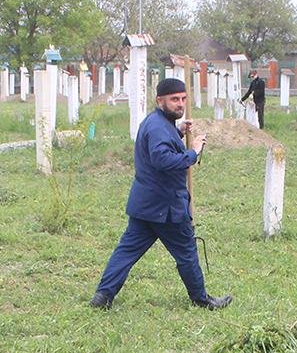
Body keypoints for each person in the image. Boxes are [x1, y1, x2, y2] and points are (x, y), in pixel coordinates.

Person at [89, 78, 232, 311]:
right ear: (159, 100)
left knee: (126, 252)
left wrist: (178, 131)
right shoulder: (158, 126)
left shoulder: (157, 123)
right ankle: (201, 299)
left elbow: (162, 141)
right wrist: (193, 152)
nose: (180, 104)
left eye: (183, 99)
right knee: (186, 253)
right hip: (166, 208)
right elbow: (162, 159)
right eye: (174, 99)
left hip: (145, 205)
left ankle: (103, 296)